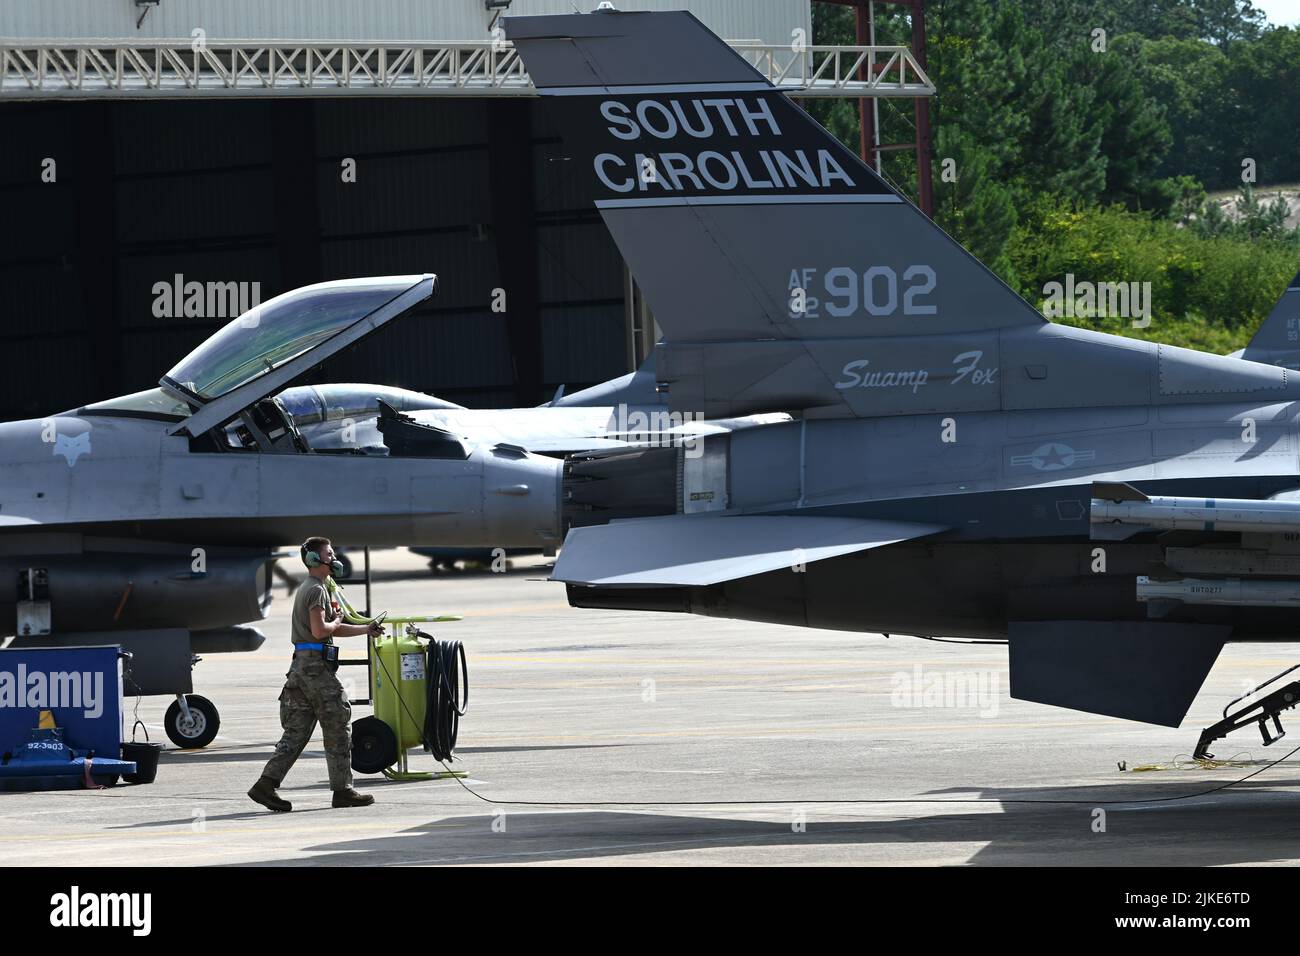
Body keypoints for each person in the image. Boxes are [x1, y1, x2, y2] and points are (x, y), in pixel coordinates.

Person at [248, 536, 383, 812]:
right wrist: (334, 621)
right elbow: (322, 630)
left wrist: (365, 629)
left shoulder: (312, 588)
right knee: (338, 724)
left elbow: (328, 628)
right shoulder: (316, 591)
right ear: (314, 560)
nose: (334, 558)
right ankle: (343, 790)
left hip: (302, 667)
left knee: (296, 733)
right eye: (329, 553)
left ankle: (266, 785)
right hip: (314, 670)